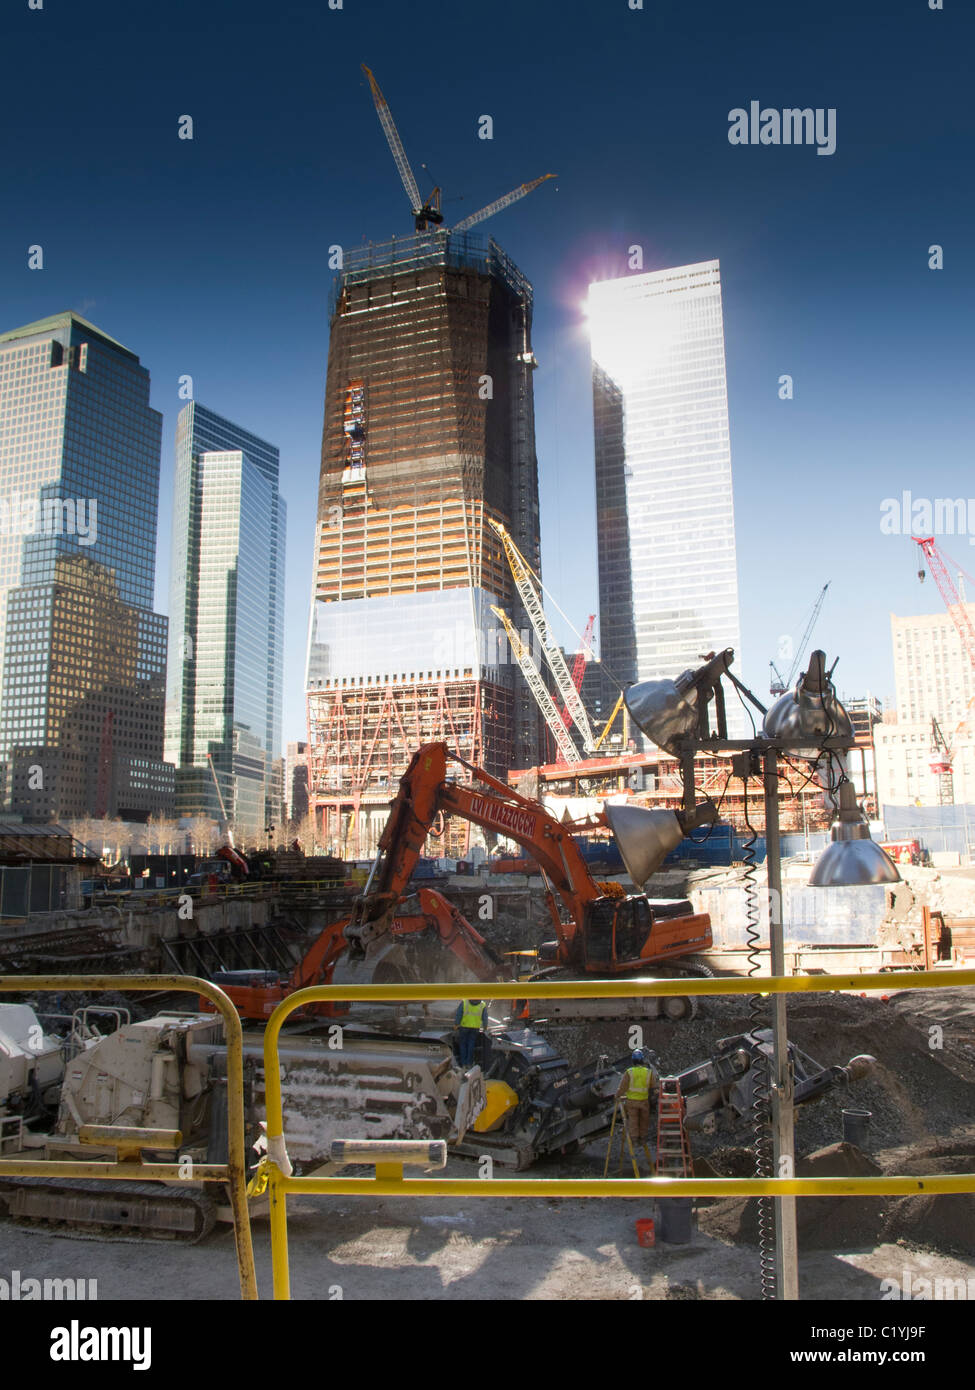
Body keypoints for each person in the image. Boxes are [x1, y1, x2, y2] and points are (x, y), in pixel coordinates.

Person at [616, 1048, 658, 1146]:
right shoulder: (648, 1072)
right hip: (644, 1101)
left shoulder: (629, 1072)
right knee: (644, 1120)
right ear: (642, 1059)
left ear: (633, 1060)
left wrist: (617, 1095)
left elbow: (623, 1086)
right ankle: (642, 1139)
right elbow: (654, 1086)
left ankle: (634, 1140)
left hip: (631, 1102)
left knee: (633, 1120)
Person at [454, 998, 488, 1068]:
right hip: (475, 1028)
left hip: (464, 1027)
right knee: (471, 1045)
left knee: (463, 1045)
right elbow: (485, 1018)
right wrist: (485, 1027)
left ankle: (463, 1063)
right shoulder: (482, 1004)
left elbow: (459, 1014)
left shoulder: (464, 1002)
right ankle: (469, 1063)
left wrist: (456, 1024)